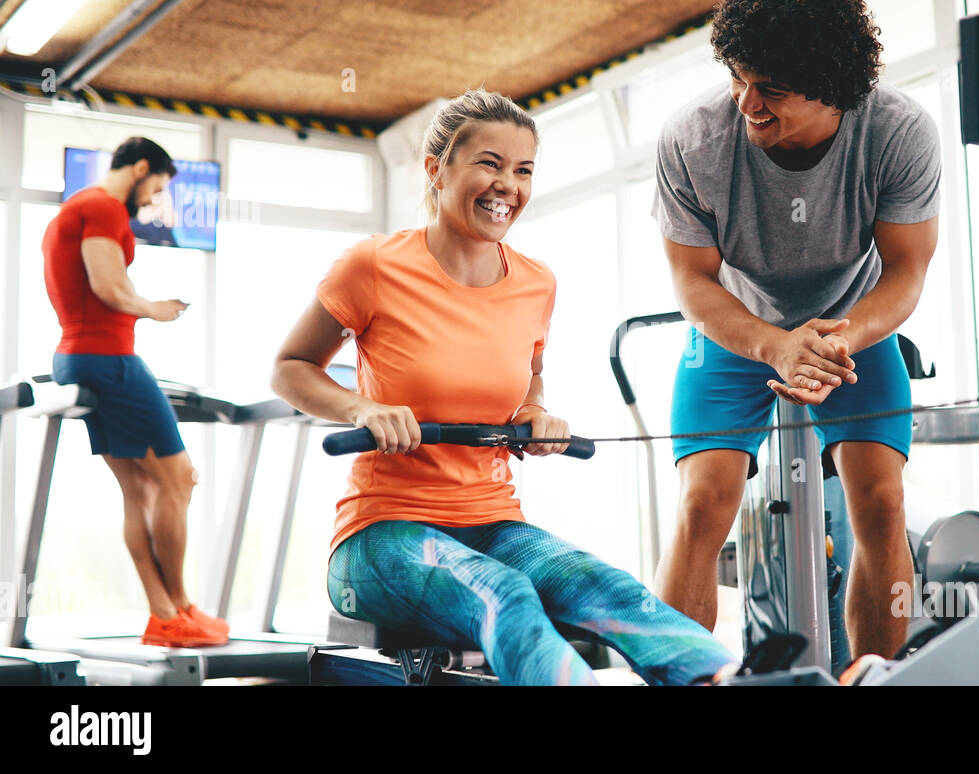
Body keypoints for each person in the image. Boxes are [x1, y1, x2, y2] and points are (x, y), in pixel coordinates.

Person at [271, 89, 739, 686]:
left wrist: (535, 413)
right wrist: (364, 408)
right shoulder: (372, 267)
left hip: (493, 523)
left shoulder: (536, 284)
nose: (507, 186)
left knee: (604, 586)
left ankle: (729, 680)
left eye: (523, 171)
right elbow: (290, 366)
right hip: (379, 535)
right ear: (436, 169)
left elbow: (531, 374)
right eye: (488, 163)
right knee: (504, 593)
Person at [652, 0, 942, 662]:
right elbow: (692, 283)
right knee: (702, 505)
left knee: (881, 501)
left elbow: (906, 272)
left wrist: (837, 338)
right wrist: (773, 342)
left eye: (772, 90)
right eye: (737, 76)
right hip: (732, 329)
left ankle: (873, 679)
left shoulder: (898, 131)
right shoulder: (692, 140)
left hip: (853, 328)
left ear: (832, 88)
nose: (747, 101)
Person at [43, 136, 229, 647]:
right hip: (110, 360)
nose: (152, 200)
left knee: (141, 489)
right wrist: (157, 309)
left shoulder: (78, 208)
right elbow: (107, 287)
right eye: (156, 187)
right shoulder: (102, 207)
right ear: (141, 167)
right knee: (181, 478)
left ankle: (165, 613)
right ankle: (181, 604)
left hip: (78, 357)